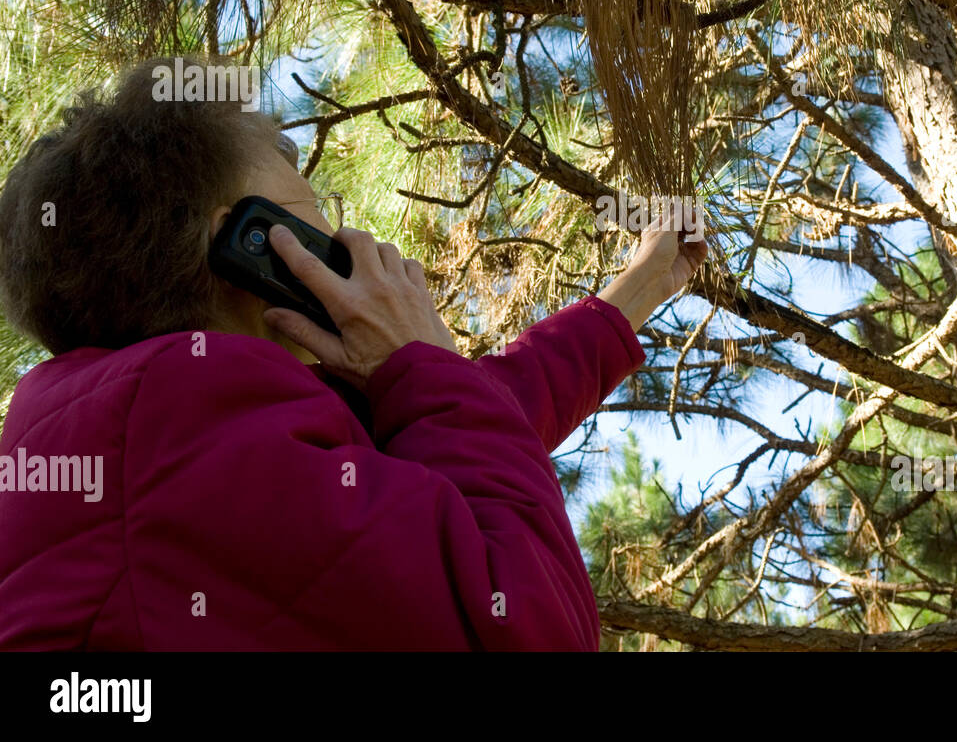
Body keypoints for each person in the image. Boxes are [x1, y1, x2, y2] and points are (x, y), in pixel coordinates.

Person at [0, 56, 706, 650]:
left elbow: (462, 436)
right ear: (249, 242)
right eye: (315, 207)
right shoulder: (176, 418)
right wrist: (417, 357)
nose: (343, 234)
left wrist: (640, 287)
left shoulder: (159, 422)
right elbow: (527, 624)